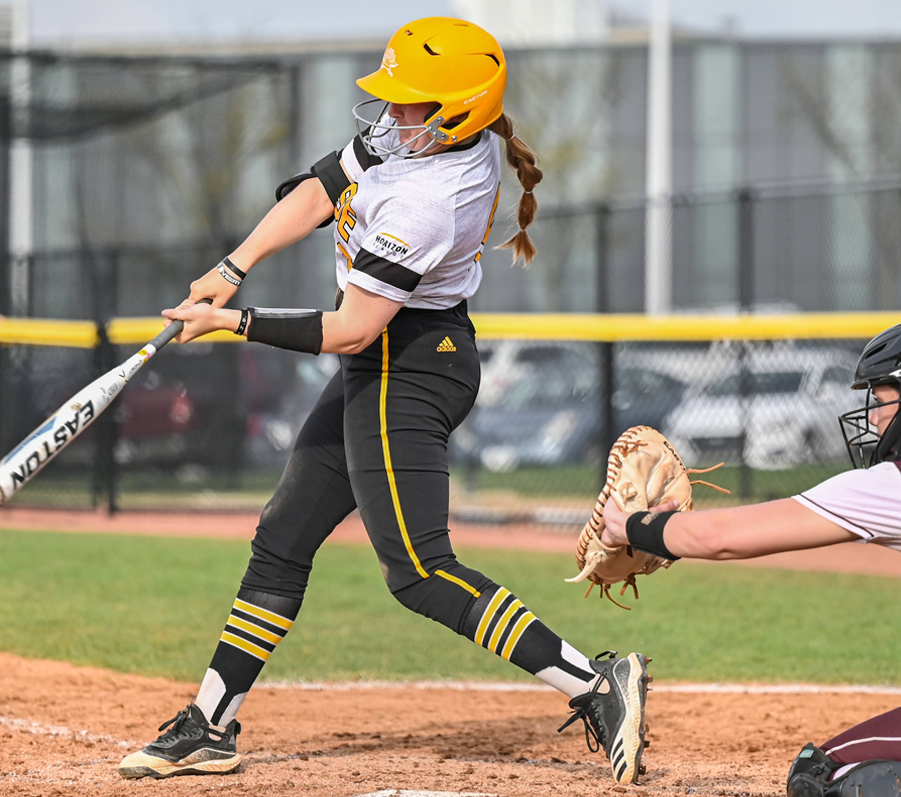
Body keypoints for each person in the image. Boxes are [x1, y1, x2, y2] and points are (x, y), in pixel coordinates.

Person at [116, 17, 650, 784]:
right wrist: (233, 267)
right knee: (283, 535)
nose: (394, 112)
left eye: (412, 100)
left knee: (420, 572)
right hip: (388, 360)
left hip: (411, 366)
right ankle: (211, 724)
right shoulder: (416, 139)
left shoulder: (433, 197)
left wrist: (232, 322)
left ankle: (595, 684)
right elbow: (319, 189)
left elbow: (353, 329)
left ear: (458, 112)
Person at [600, 310, 901, 797]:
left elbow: (723, 536)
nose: (873, 417)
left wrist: (630, 526)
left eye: (882, 397)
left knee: (823, 774)